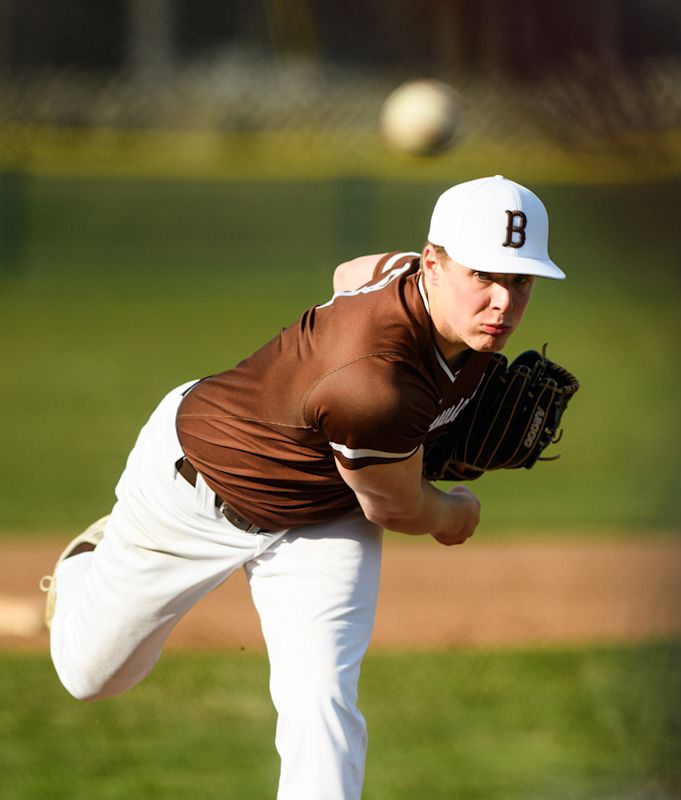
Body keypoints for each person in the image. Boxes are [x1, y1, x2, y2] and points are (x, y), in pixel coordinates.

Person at [39, 175, 567, 799]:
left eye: (520, 280)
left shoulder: (413, 282)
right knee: (92, 677)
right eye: (483, 275)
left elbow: (351, 273)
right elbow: (397, 505)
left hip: (324, 515)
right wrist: (457, 513)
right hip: (196, 486)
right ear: (434, 262)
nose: (502, 302)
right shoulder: (373, 384)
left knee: (321, 698)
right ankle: (86, 561)